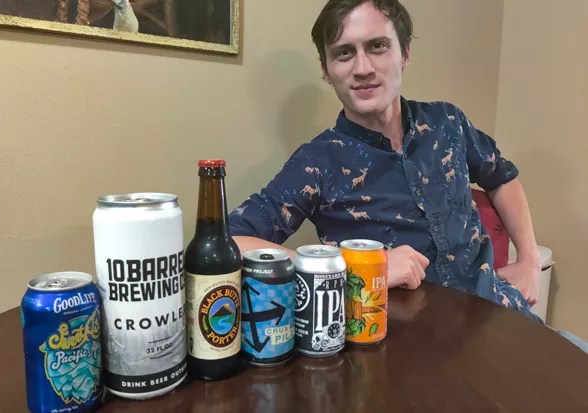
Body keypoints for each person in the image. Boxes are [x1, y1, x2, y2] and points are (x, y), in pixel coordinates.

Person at [229, 0, 541, 320]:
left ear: (405, 53)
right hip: (407, 341)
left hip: (500, 316)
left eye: (377, 46)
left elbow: (502, 177)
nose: (362, 68)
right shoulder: (318, 162)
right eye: (344, 53)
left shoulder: (448, 123)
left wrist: (529, 259)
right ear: (326, 69)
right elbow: (227, 243)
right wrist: (358, 267)